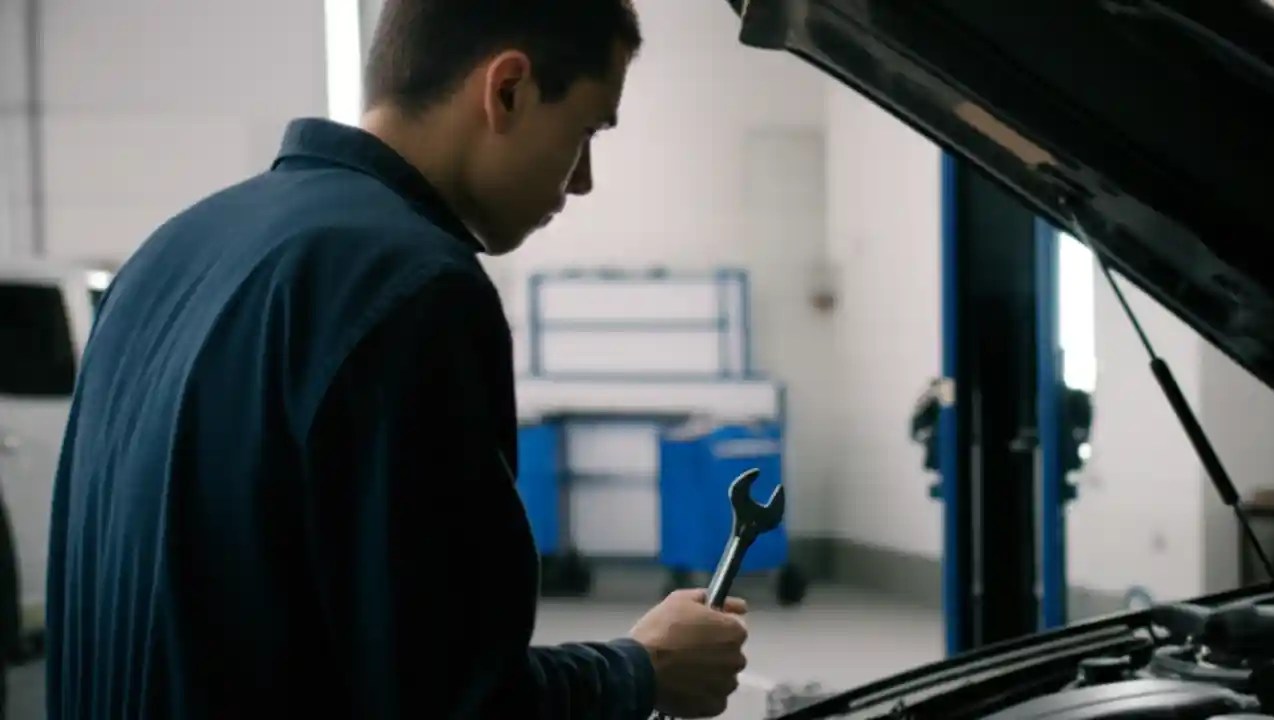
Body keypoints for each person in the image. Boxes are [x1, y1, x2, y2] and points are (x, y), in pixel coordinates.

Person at [44, 1, 750, 718]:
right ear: (507, 90)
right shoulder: (410, 287)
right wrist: (641, 671)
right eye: (587, 131)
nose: (582, 180)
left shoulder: (167, 255)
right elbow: (452, 701)